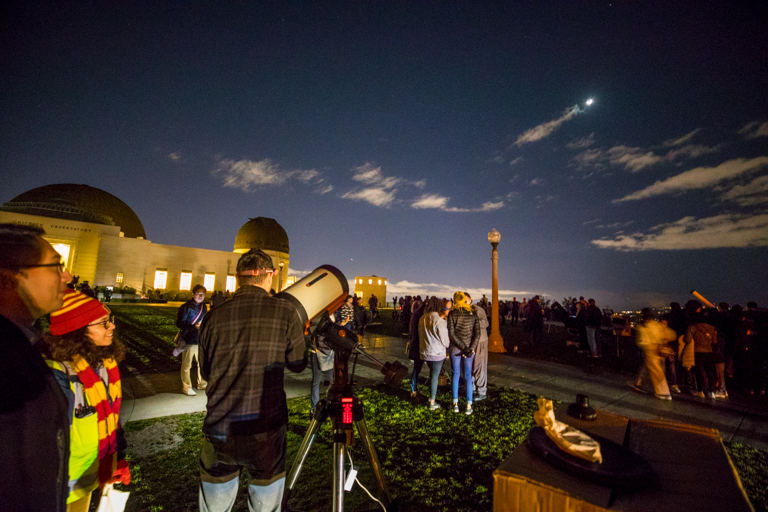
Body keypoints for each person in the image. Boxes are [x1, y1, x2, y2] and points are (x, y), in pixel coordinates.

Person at [198, 249, 307, 512]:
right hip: (265, 431)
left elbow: (205, 372)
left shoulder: (213, 317)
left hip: (220, 430)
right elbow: (297, 364)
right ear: (271, 275)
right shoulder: (286, 311)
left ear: (237, 278)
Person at [0, 224, 73, 511]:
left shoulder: (20, 344)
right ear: (10, 277)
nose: (67, 276)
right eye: (56, 265)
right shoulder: (6, 358)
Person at [43, 290, 131, 511]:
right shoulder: (56, 375)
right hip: (60, 485)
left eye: (110, 320)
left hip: (92, 477)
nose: (112, 326)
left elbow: (112, 419)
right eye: (104, 323)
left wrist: (117, 458)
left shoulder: (106, 365)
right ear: (77, 331)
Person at [630, 308, 676, 400]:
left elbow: (641, 342)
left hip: (649, 350)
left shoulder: (643, 327)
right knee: (651, 369)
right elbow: (671, 335)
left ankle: (663, 393)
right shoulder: (658, 325)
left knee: (656, 372)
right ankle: (638, 383)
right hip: (659, 350)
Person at [447, 291, 480, 415]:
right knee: (468, 375)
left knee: (455, 375)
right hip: (469, 348)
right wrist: (470, 348)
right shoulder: (473, 314)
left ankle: (455, 404)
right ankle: (468, 405)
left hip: (456, 348)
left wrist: (462, 347)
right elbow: (477, 334)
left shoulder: (452, 313)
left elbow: (452, 333)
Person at [681, 300, 718, 398]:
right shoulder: (712, 328)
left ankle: (701, 390)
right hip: (709, 351)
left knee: (700, 372)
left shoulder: (692, 327)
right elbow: (714, 342)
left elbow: (688, 340)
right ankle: (712, 391)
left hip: (698, 351)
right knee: (710, 372)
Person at [418, 297, 450, 410]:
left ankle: (431, 397)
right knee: (434, 376)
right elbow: (445, 341)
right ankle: (432, 401)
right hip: (437, 352)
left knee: (432, 375)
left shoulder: (423, 318)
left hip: (425, 351)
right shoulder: (439, 321)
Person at [177, 284, 209, 396]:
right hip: (189, 339)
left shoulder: (204, 307)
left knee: (202, 363)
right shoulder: (185, 307)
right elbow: (179, 323)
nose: (200, 296)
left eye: (203, 294)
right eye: (198, 294)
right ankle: (186, 386)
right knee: (187, 364)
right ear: (193, 294)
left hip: (200, 339)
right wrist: (193, 326)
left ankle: (202, 383)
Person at [309, 316, 333, 412]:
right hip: (317, 354)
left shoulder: (331, 317)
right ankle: (315, 406)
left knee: (331, 380)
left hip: (326, 353)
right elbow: (312, 337)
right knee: (317, 380)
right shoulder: (318, 319)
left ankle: (329, 402)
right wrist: (316, 349)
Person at [468, 293, 489, 402]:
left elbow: (485, 323)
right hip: (470, 342)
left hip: (480, 341)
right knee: (471, 366)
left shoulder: (477, 309)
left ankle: (481, 391)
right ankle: (472, 387)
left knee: (479, 366)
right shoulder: (464, 310)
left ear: (470, 300)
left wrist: (471, 320)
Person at [408, 298, 426, 397]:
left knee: (416, 368)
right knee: (418, 367)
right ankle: (414, 387)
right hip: (420, 345)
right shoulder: (422, 318)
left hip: (415, 344)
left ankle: (413, 388)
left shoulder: (414, 317)